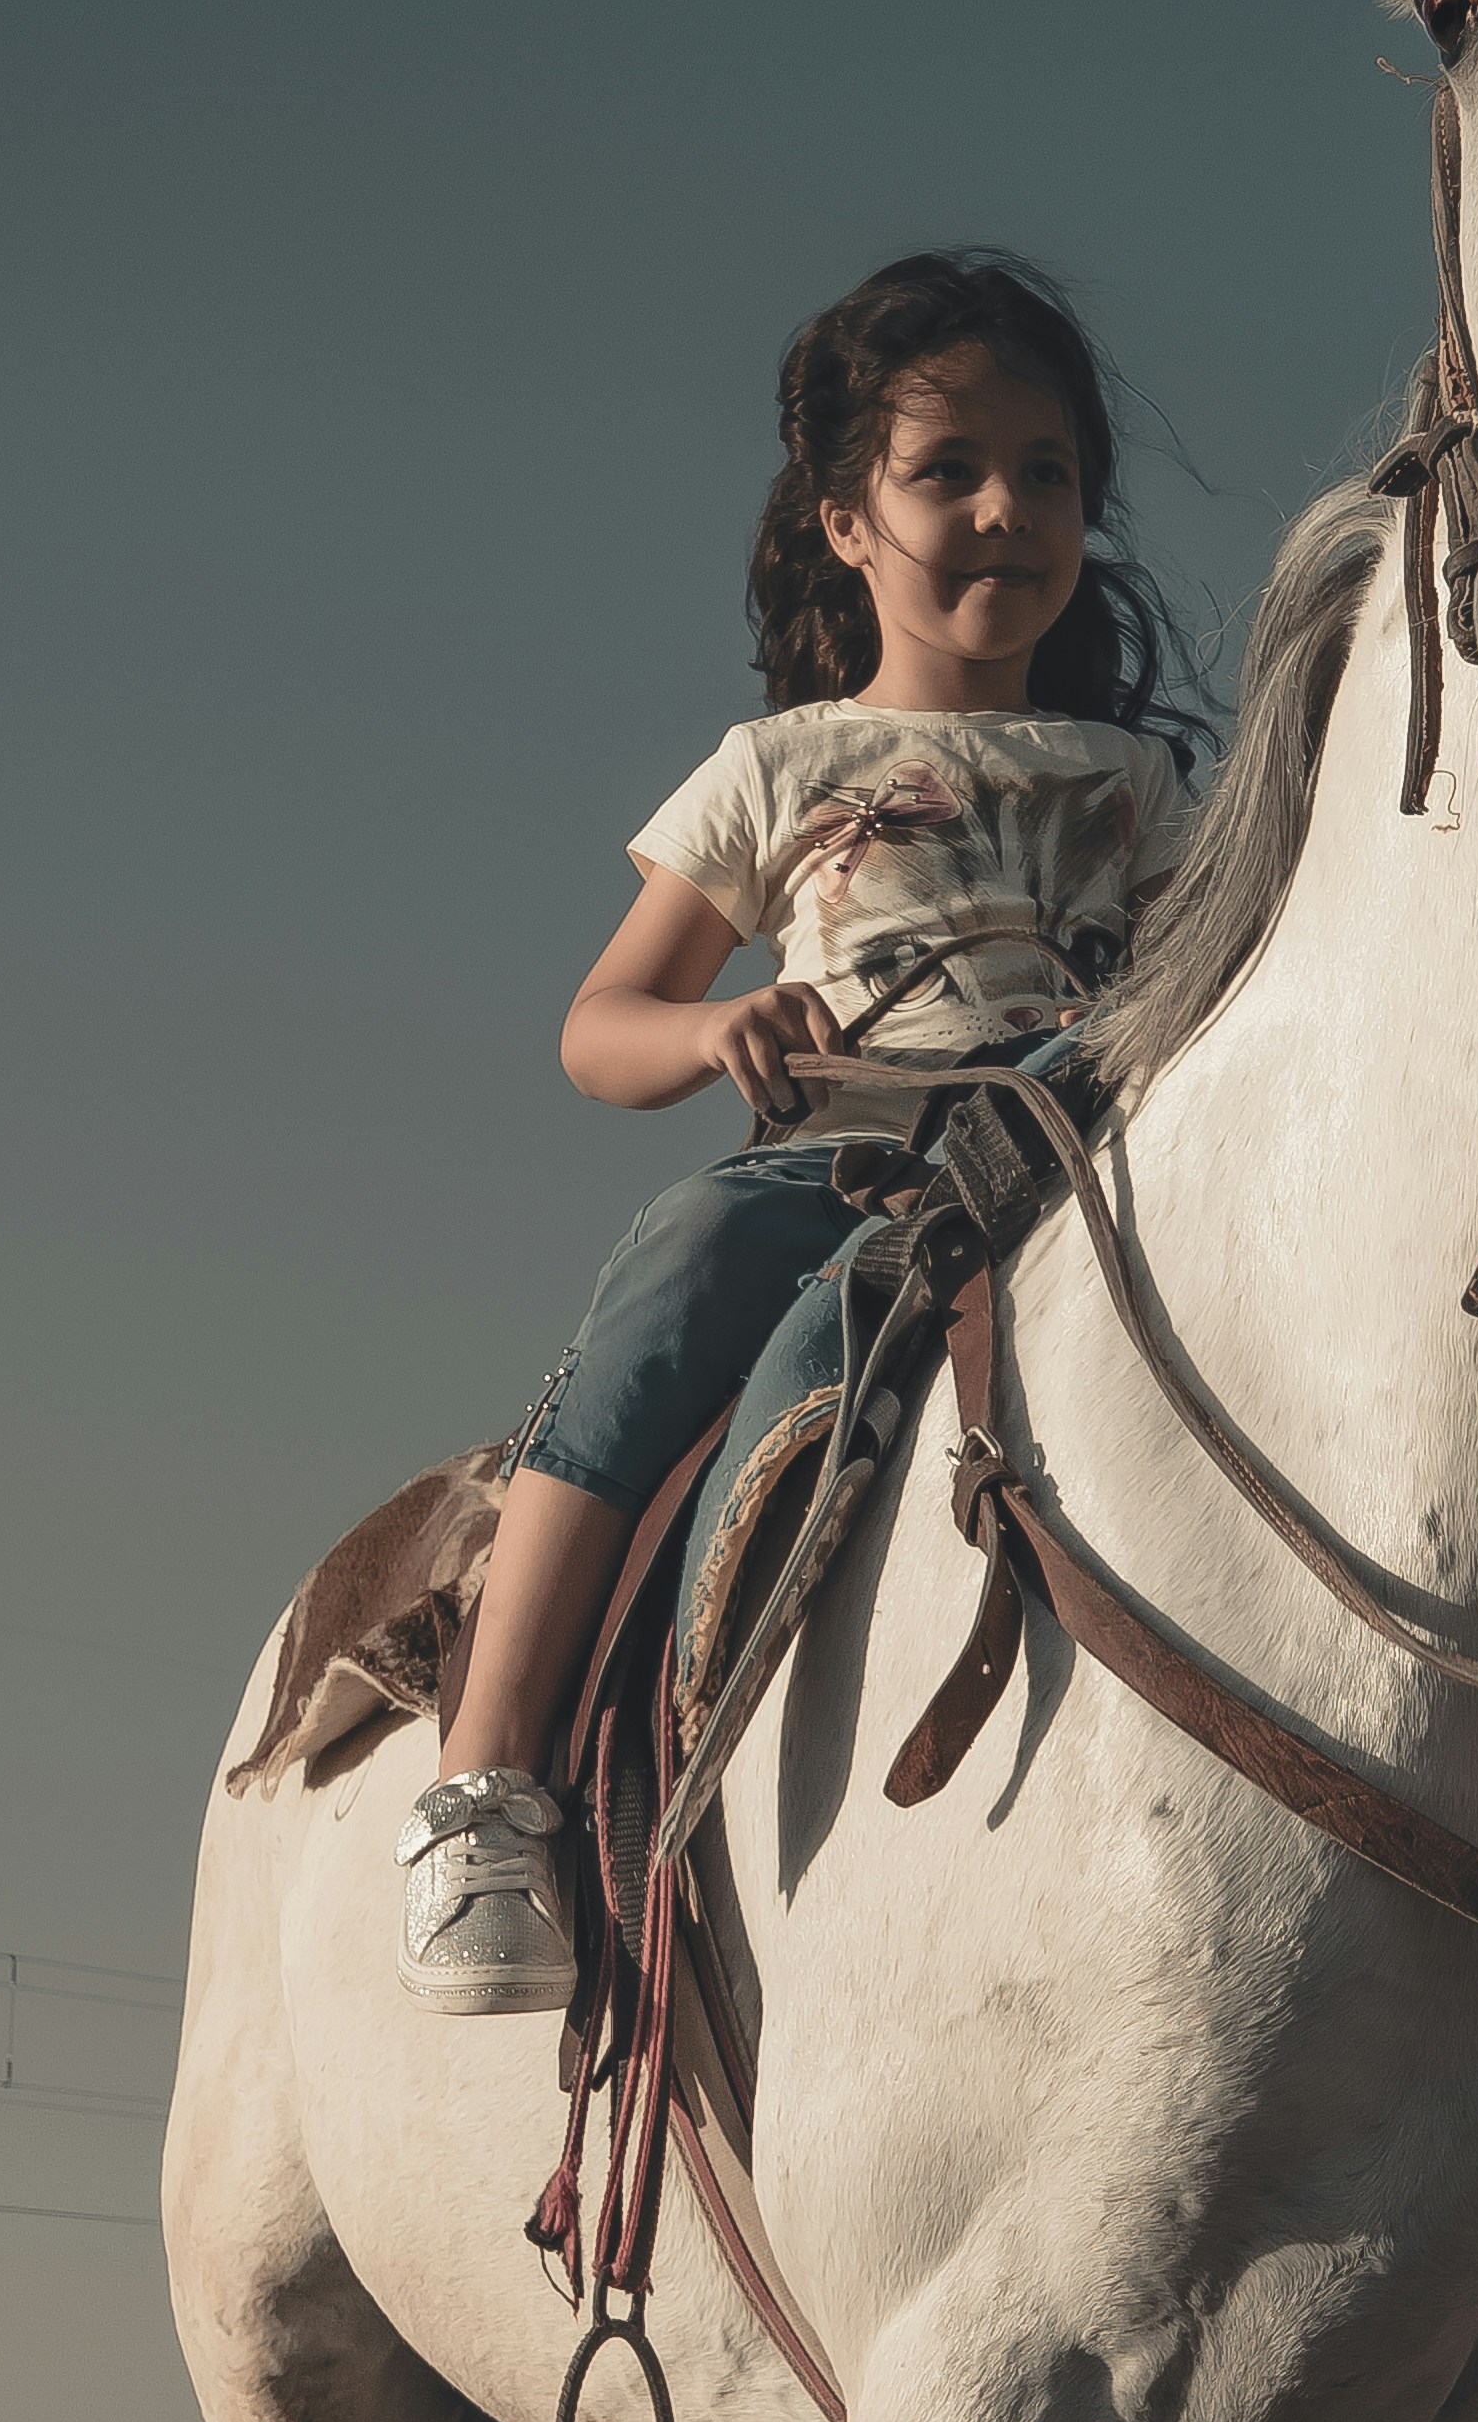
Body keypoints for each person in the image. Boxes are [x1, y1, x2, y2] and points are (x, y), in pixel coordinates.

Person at [399, 252, 1202, 2011]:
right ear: (846, 522)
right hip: (839, 1160)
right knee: (678, 1273)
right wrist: (712, 1026)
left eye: (1050, 472)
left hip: (1077, 1161)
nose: (1008, 509)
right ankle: (491, 1778)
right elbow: (594, 1027)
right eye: (948, 472)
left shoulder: (1139, 786)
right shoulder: (779, 764)